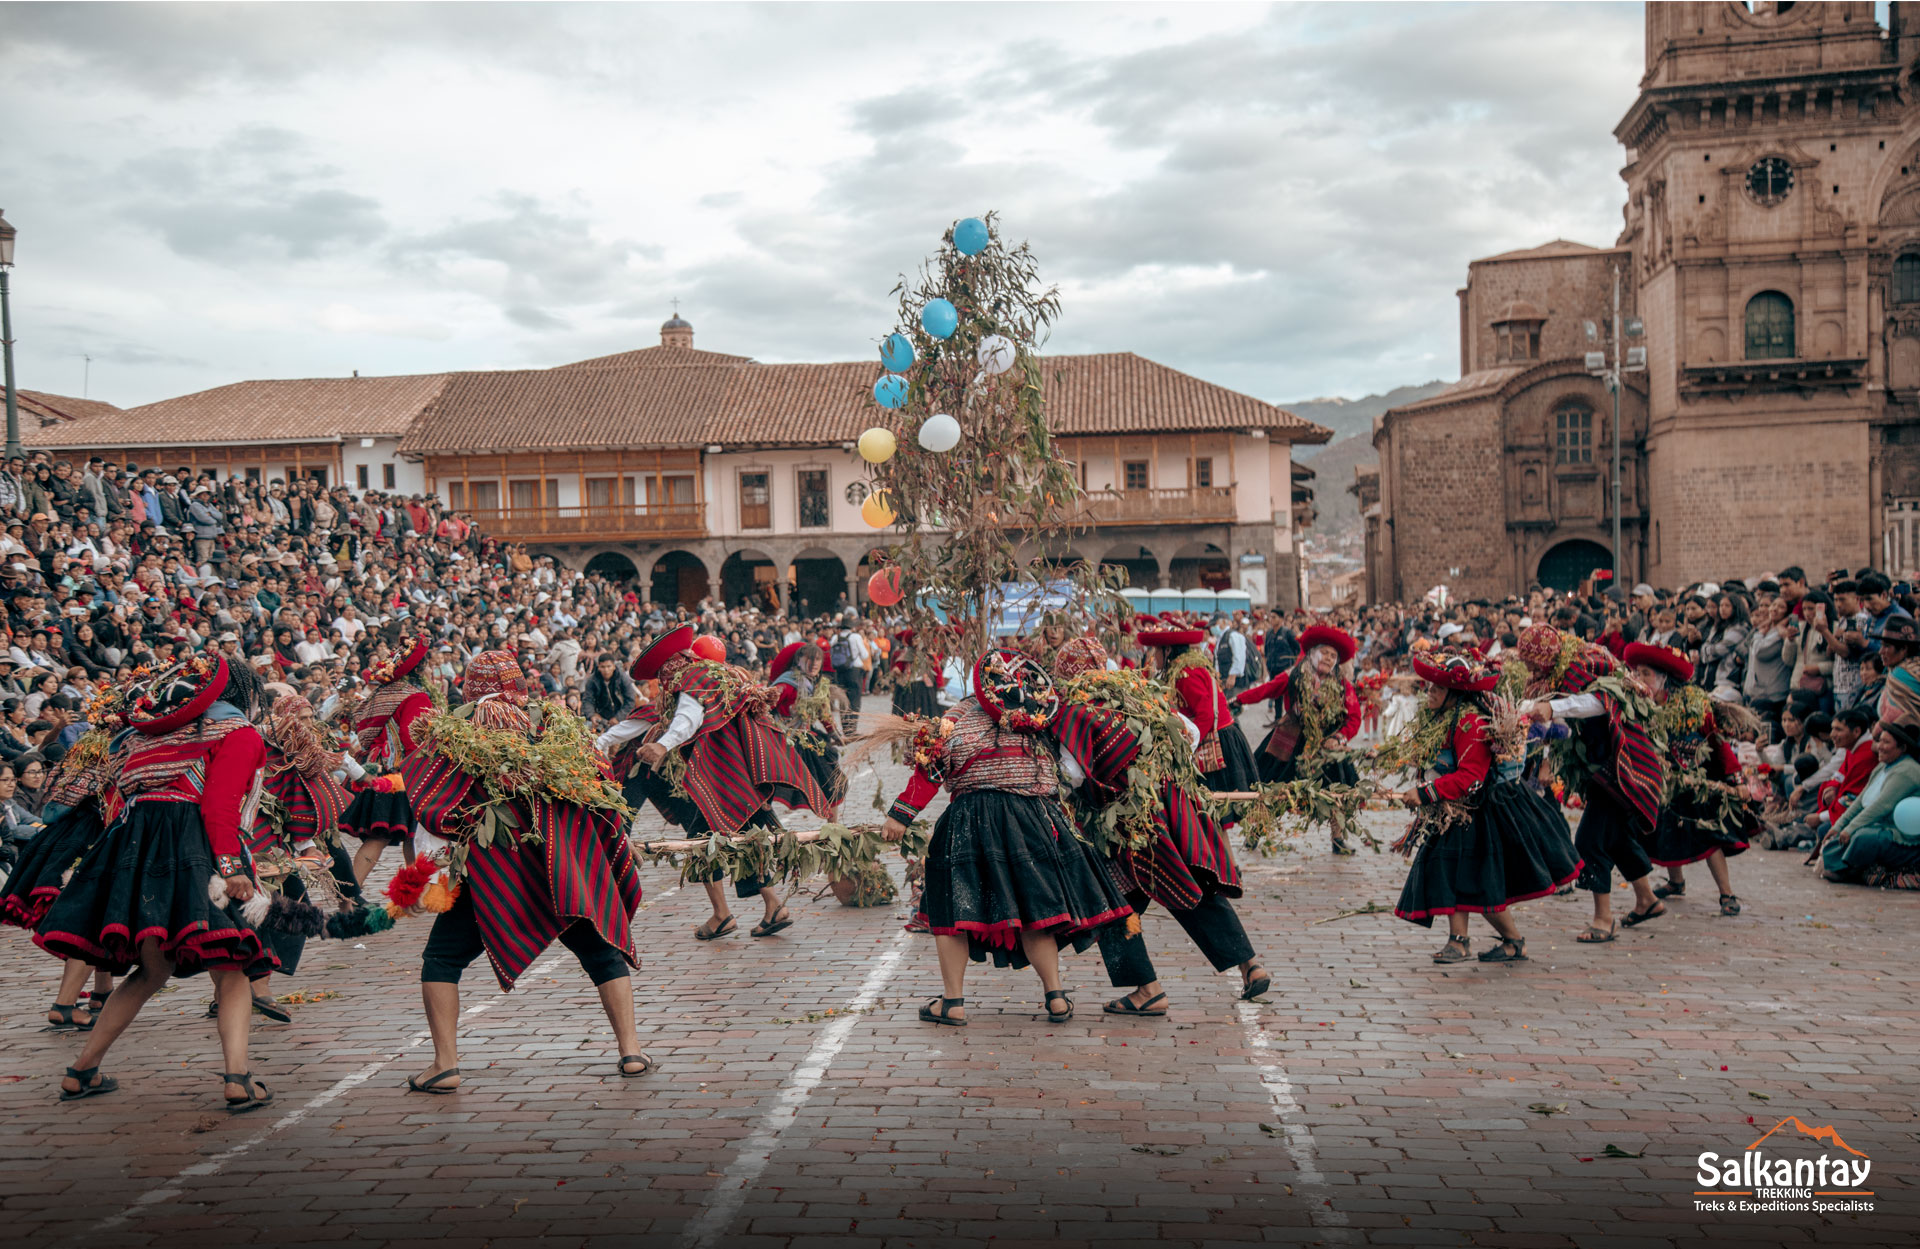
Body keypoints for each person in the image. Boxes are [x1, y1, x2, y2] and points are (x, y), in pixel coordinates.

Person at [33, 655, 277, 1110]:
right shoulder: (236, 734)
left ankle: (82, 1069)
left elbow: (117, 800)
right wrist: (231, 868)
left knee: (152, 970)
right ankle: (237, 1079)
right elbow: (220, 806)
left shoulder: (140, 741)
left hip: (136, 853)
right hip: (195, 850)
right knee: (233, 966)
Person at [401, 650, 651, 1090]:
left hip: (493, 873)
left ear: (470, 687)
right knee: (600, 952)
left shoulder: (451, 736)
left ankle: (444, 1064)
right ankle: (631, 1051)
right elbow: (600, 786)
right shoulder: (556, 725)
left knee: (441, 959)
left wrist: (428, 880)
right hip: (565, 865)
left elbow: (435, 809)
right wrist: (616, 842)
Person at [878, 650, 1131, 1026]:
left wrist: (900, 815)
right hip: (1034, 818)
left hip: (972, 818)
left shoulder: (956, 718)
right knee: (1035, 909)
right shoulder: (1037, 718)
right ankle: (1056, 996)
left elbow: (930, 769)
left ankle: (953, 1002)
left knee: (953, 908)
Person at [1048, 637, 1266, 1016]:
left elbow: (1072, 775)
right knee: (1191, 886)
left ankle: (1146, 989)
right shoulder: (1140, 691)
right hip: (1172, 809)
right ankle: (1250, 965)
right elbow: (1191, 733)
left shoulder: (1077, 712)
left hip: (1130, 825)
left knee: (1112, 903)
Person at [599, 625, 826, 941]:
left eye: (662, 674)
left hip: (722, 776)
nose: (663, 682)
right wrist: (600, 741)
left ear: (672, 668)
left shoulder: (694, 682)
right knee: (747, 835)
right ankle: (773, 906)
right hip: (741, 775)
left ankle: (723, 915)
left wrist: (662, 746)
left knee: (704, 842)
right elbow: (647, 718)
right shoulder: (723, 676)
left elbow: (687, 719)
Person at [1383, 650, 1581, 963]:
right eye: (1429, 687)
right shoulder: (1446, 719)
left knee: (1477, 880)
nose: (1429, 693)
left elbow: (1471, 777)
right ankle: (1469, 940)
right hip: (1459, 809)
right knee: (1457, 873)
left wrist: (1426, 793)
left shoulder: (1470, 724)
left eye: (1437, 688)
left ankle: (1494, 941)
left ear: (1455, 694)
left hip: (1479, 811)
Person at [1517, 624, 1667, 944]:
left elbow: (1601, 701)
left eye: (1533, 662)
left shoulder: (1586, 663)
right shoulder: (1548, 679)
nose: (1529, 669)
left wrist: (1553, 707)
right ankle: (1647, 900)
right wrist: (1544, 755)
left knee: (1589, 841)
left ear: (1546, 656)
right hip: (1599, 767)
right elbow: (1549, 721)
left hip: (1624, 763)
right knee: (1616, 838)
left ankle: (1604, 919)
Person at [1635, 644, 1757, 916]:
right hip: (1664, 781)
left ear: (1663, 678)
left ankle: (1727, 893)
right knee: (1663, 830)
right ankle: (1676, 883)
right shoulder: (1640, 706)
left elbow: (1717, 742)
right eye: (1637, 673)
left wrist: (1736, 779)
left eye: (1646, 674)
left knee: (1708, 837)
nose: (1639, 679)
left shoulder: (1693, 705)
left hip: (1699, 780)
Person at [1234, 624, 1363, 850]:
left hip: (1326, 744)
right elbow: (1266, 690)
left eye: (1334, 656)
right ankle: (1256, 832)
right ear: (1313, 653)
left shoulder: (1342, 685)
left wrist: (1340, 739)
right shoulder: (1293, 676)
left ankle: (1338, 838)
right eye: (1325, 653)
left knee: (1336, 791)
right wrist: (1238, 700)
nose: (1330, 659)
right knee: (1276, 789)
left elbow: (1354, 718)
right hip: (1292, 739)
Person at [337, 631, 432, 886]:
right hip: (401, 774)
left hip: (377, 768)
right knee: (402, 834)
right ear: (421, 669)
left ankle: (406, 887)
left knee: (392, 836)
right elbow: (412, 739)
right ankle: (358, 891)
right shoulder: (415, 697)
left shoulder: (381, 694)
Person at [1136, 619, 1261, 796]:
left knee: (1210, 803)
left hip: (1219, 741)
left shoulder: (1186, 675)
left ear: (1168, 651)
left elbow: (1206, 715)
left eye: (1156, 650)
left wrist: (1185, 748)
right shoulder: (1186, 669)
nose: (1153, 657)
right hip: (1218, 734)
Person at [1817, 720, 1920, 885]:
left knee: (1862, 838)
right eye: (1879, 741)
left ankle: (1851, 869)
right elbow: (1860, 801)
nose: (1879, 746)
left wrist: (1850, 829)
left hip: (1902, 837)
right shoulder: (1882, 767)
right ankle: (1848, 863)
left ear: (1902, 748)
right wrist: (1839, 827)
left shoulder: (1906, 771)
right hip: (1878, 826)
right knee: (1830, 834)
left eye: (1886, 742)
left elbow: (1881, 807)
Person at [766, 640, 846, 815]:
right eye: (809, 659)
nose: (814, 664)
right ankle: (765, 811)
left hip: (808, 737)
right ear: (798, 661)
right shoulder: (786, 684)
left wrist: (834, 733)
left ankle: (833, 825)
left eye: (818, 660)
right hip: (784, 739)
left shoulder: (818, 686)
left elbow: (824, 713)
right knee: (771, 781)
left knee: (830, 772)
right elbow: (766, 706)